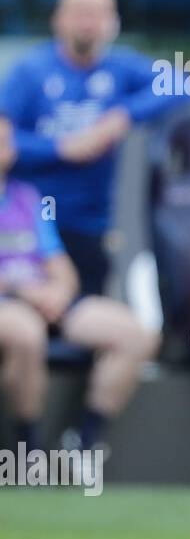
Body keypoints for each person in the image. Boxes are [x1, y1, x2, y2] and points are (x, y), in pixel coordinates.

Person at [0, 0, 190, 298]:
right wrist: (60, 148)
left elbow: (183, 84)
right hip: (27, 227)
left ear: (113, 22)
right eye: (79, 12)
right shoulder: (30, 72)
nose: (87, 22)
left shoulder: (120, 67)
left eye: (98, 13)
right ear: (57, 19)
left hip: (90, 224)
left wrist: (122, 116)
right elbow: (4, 139)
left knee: (86, 321)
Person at [0, 116, 159, 476]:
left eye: (7, 143)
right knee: (26, 334)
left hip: (47, 302)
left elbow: (59, 265)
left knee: (136, 334)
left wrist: (58, 292)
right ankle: (28, 454)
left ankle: (83, 444)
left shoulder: (28, 198)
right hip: (12, 305)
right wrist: (24, 292)